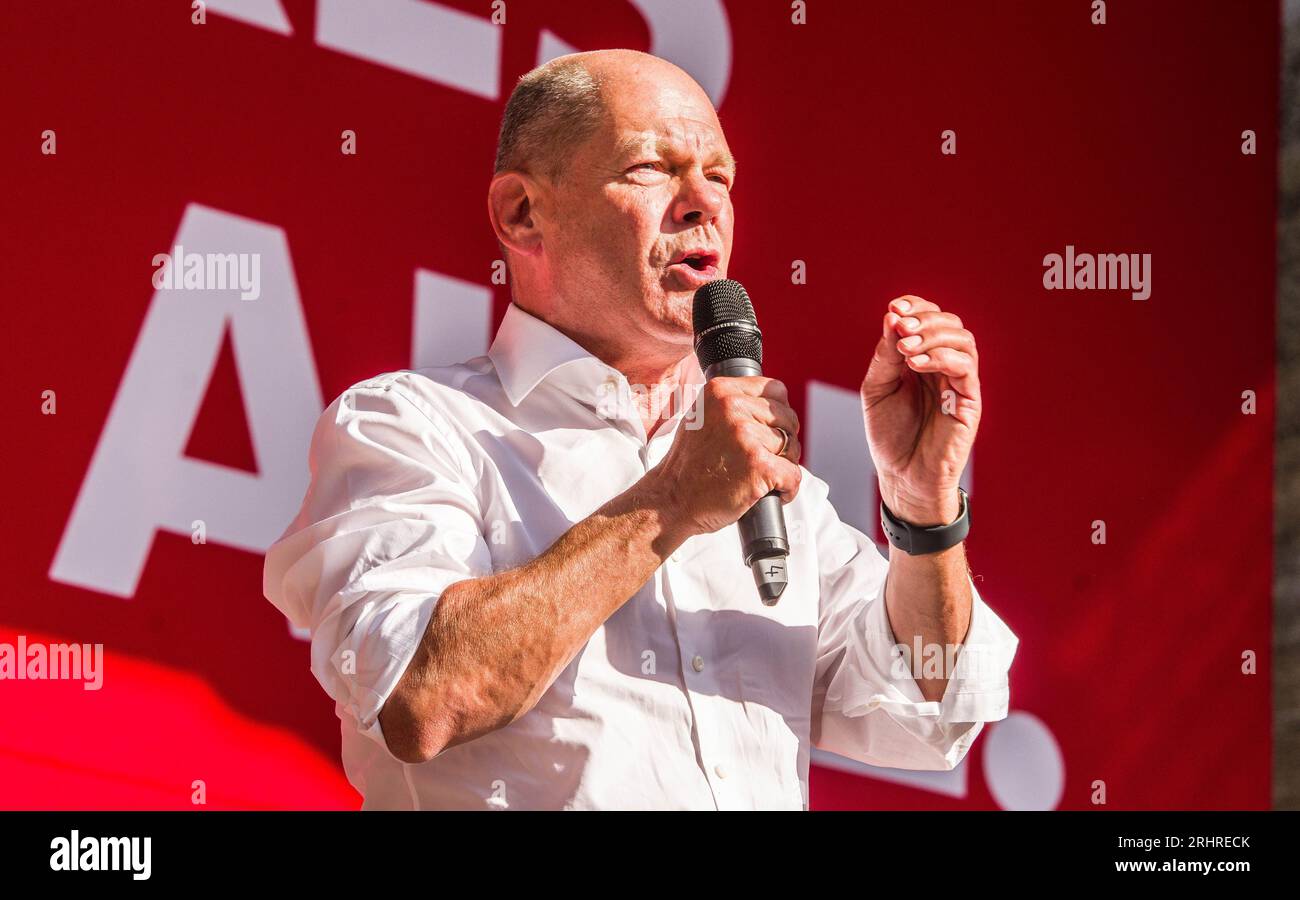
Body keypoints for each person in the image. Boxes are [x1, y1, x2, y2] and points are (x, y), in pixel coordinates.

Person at [263, 49, 1019, 810]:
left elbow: (932, 710)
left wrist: (923, 508)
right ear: (522, 213)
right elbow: (421, 697)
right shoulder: (412, 425)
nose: (703, 203)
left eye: (720, 176)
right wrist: (671, 503)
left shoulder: (771, 485)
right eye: (652, 167)